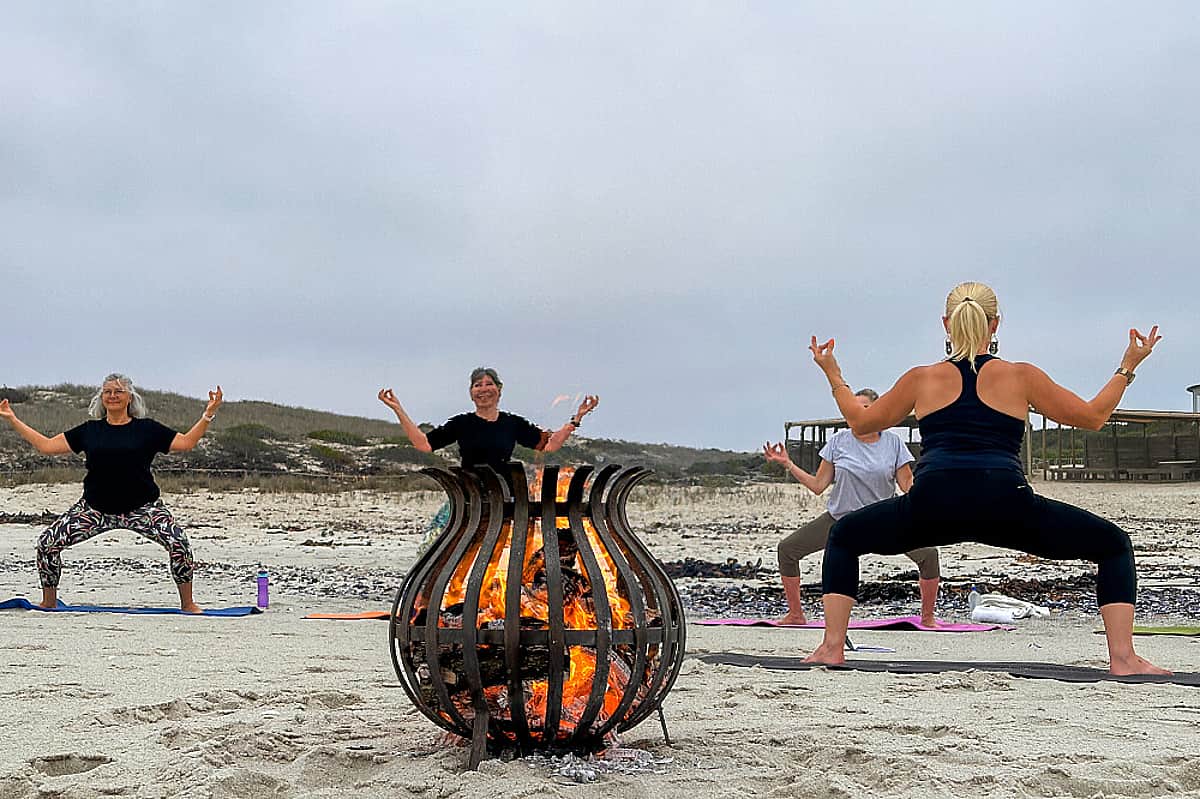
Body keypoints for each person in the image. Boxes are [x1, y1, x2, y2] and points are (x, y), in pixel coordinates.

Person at [803, 281, 1168, 675]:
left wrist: (833, 373)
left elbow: (859, 422)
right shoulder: (1021, 376)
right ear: (995, 325)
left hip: (934, 503)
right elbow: (1094, 416)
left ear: (946, 324)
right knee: (1113, 545)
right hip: (1005, 502)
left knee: (843, 538)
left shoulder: (921, 379)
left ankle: (831, 648)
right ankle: (1124, 658)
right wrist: (1128, 365)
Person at [0, 374, 223, 613]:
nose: (113, 396)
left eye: (118, 391)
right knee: (47, 543)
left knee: (179, 543)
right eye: (107, 392)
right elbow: (46, 446)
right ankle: (49, 601)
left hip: (143, 508)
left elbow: (187, 443)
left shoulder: (147, 429)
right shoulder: (89, 431)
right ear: (101, 398)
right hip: (94, 509)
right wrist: (12, 418)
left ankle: (188, 604)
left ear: (130, 398)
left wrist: (208, 414)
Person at [763, 388, 940, 626]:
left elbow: (907, 483)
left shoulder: (893, 443)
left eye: (865, 407)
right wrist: (788, 464)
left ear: (878, 411)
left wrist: (928, 491)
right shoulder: (838, 441)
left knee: (929, 555)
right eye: (853, 408)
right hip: (841, 520)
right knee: (787, 549)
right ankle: (796, 614)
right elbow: (818, 485)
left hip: (883, 519)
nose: (857, 413)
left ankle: (928, 618)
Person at [378, 367, 599, 475]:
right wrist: (398, 409)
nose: (483, 389)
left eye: (488, 384)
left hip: (505, 495)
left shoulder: (513, 423)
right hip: (470, 495)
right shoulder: (461, 423)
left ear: (499, 390)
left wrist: (576, 418)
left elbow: (550, 444)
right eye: (477, 385)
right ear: (471, 393)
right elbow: (423, 444)